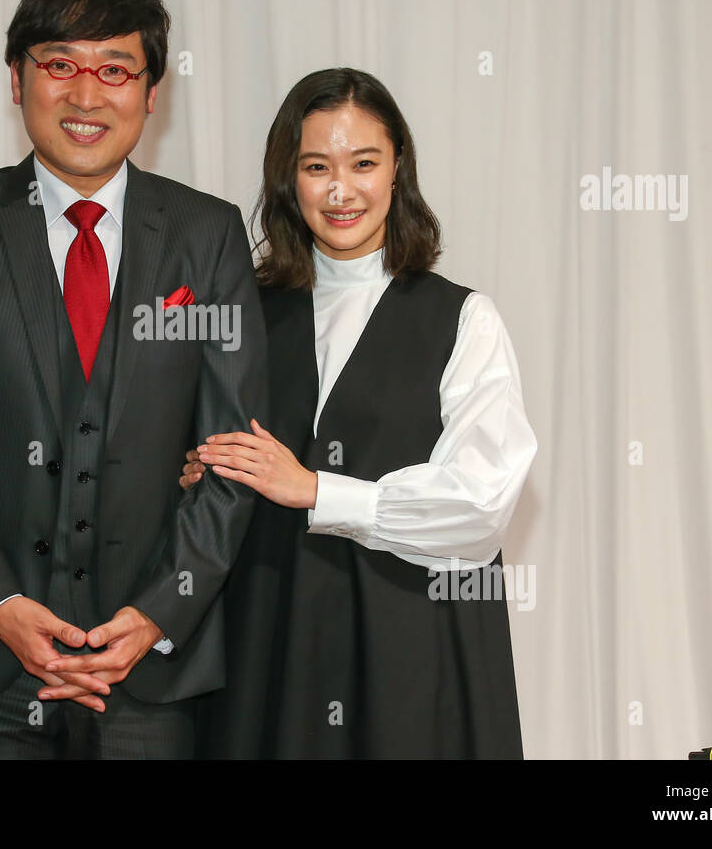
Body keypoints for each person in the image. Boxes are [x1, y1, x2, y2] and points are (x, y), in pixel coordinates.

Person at [0, 0, 267, 758]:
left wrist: (156, 614)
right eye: (59, 65)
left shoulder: (208, 237)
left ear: (153, 94)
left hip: (148, 673)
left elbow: (236, 454)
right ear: (17, 79)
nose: (86, 95)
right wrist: (1, 605)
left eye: (115, 69)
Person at [183, 68, 537, 758]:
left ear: (397, 166)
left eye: (364, 163)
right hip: (269, 653)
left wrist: (318, 490)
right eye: (317, 166)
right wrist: (194, 474)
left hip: (415, 661)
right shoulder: (240, 315)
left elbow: (482, 504)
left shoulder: (464, 319)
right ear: (289, 179)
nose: (341, 190)